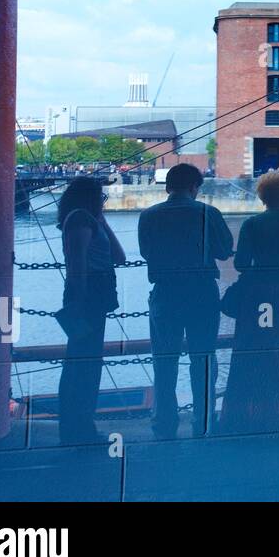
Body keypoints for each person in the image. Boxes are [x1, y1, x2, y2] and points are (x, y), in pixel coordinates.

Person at [138, 163, 233, 439]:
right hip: (201, 292)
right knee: (203, 359)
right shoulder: (208, 213)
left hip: (165, 293)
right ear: (195, 187)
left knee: (164, 361)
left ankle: (165, 421)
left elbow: (146, 252)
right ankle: (203, 420)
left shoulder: (148, 216)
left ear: (168, 187)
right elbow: (225, 250)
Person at [218, 171, 279, 433]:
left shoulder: (252, 224)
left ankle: (251, 415)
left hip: (259, 293)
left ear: (262, 197)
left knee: (256, 350)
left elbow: (240, 263)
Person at [56, 178, 123, 445]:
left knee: (83, 360)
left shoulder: (88, 220)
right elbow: (77, 264)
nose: (103, 201)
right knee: (84, 362)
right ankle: (79, 427)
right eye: (101, 197)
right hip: (89, 297)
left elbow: (118, 257)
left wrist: (102, 221)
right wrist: (80, 302)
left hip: (94, 296)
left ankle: (78, 426)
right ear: (91, 198)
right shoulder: (80, 220)